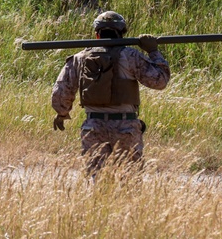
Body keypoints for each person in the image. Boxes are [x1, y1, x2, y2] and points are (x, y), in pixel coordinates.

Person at [51, 11, 170, 176]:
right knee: (129, 182)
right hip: (125, 128)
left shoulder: (80, 58)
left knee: (97, 180)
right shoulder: (130, 56)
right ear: (121, 33)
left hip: (93, 128)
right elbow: (160, 81)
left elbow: (62, 91)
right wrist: (153, 51)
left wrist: (61, 113)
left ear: (96, 35)